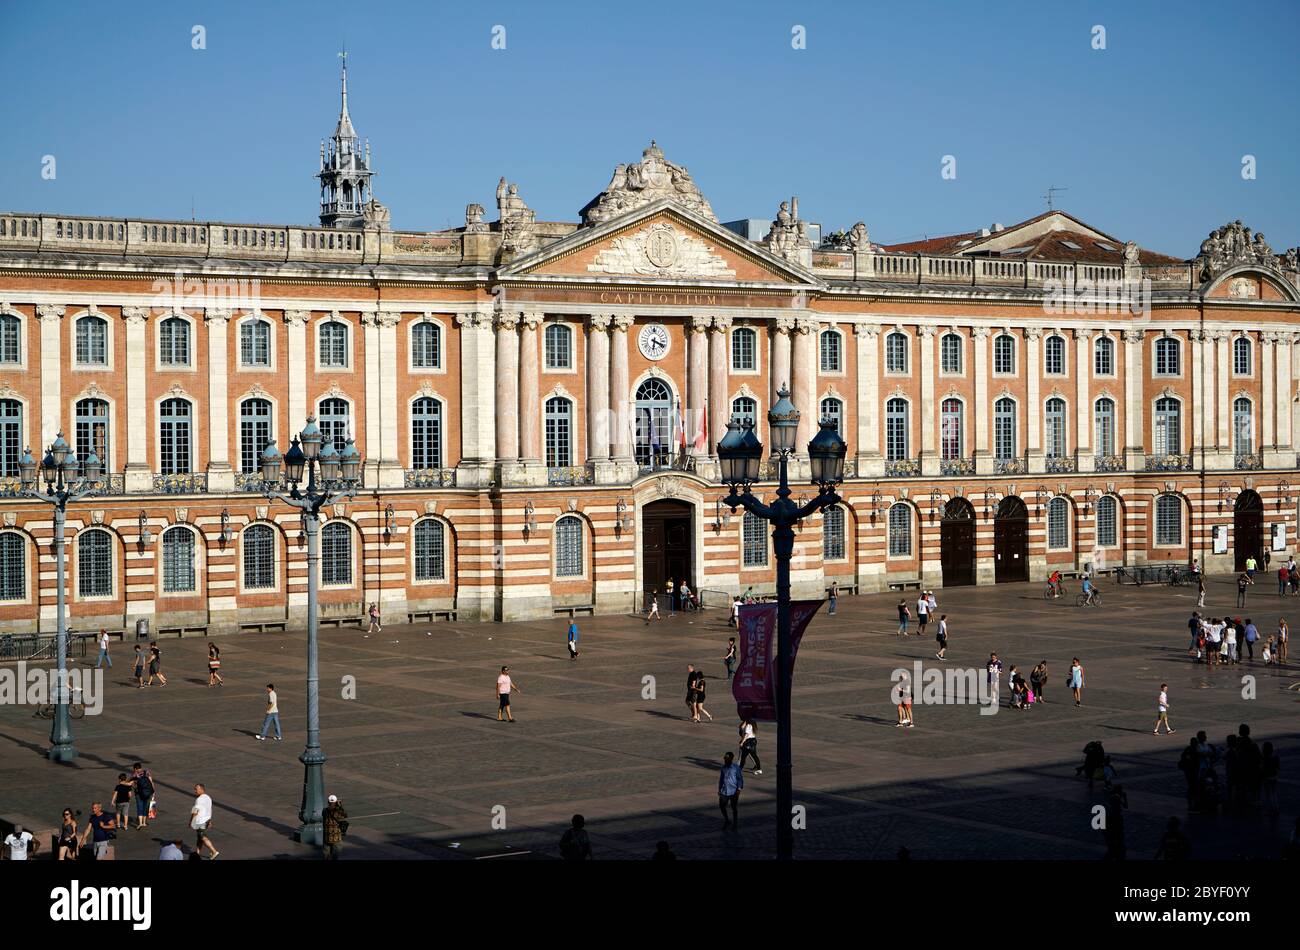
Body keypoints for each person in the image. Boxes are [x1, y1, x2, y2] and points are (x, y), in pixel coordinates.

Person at [190, 784, 219, 859]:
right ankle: (197, 853)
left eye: (196, 789)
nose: (195, 791)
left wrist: (191, 822)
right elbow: (209, 810)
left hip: (200, 821)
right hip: (206, 820)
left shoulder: (198, 800)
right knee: (199, 837)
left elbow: (195, 812)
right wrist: (209, 821)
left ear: (201, 789)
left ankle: (214, 851)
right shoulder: (208, 798)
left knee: (203, 837)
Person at [718, 751, 744, 829]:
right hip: (724, 791)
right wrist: (719, 789)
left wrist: (739, 789)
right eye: (725, 759)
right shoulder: (723, 768)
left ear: (731, 759)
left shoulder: (736, 768)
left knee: (734, 807)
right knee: (721, 806)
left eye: (727, 759)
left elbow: (740, 779)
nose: (725, 760)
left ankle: (735, 823)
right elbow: (721, 779)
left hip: (734, 791)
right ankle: (727, 820)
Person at [322, 794, 348, 859]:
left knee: (326, 855)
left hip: (327, 836)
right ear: (336, 802)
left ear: (328, 802)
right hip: (335, 837)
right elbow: (344, 815)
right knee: (335, 855)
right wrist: (340, 806)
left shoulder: (324, 810)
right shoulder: (337, 812)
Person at [131, 763, 155, 828]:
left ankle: (140, 823)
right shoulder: (146, 772)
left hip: (138, 793)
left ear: (135, 768)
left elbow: (133, 785)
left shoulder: (135, 774)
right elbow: (151, 782)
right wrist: (153, 792)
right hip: (147, 792)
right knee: (145, 807)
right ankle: (144, 823)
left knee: (140, 807)